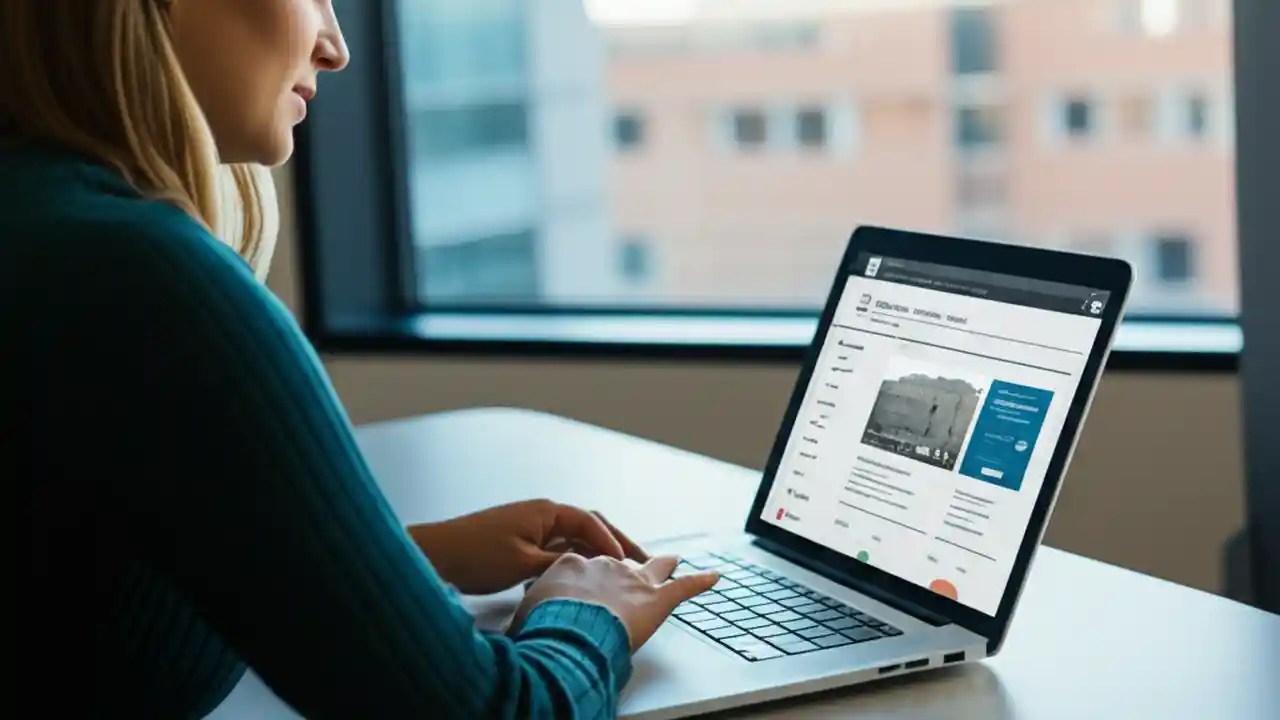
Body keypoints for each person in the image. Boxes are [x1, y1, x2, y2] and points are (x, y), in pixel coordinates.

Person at [2, 1, 720, 717]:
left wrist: (392, 564)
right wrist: (586, 609)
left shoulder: (39, 222)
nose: (337, 46)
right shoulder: (139, 279)